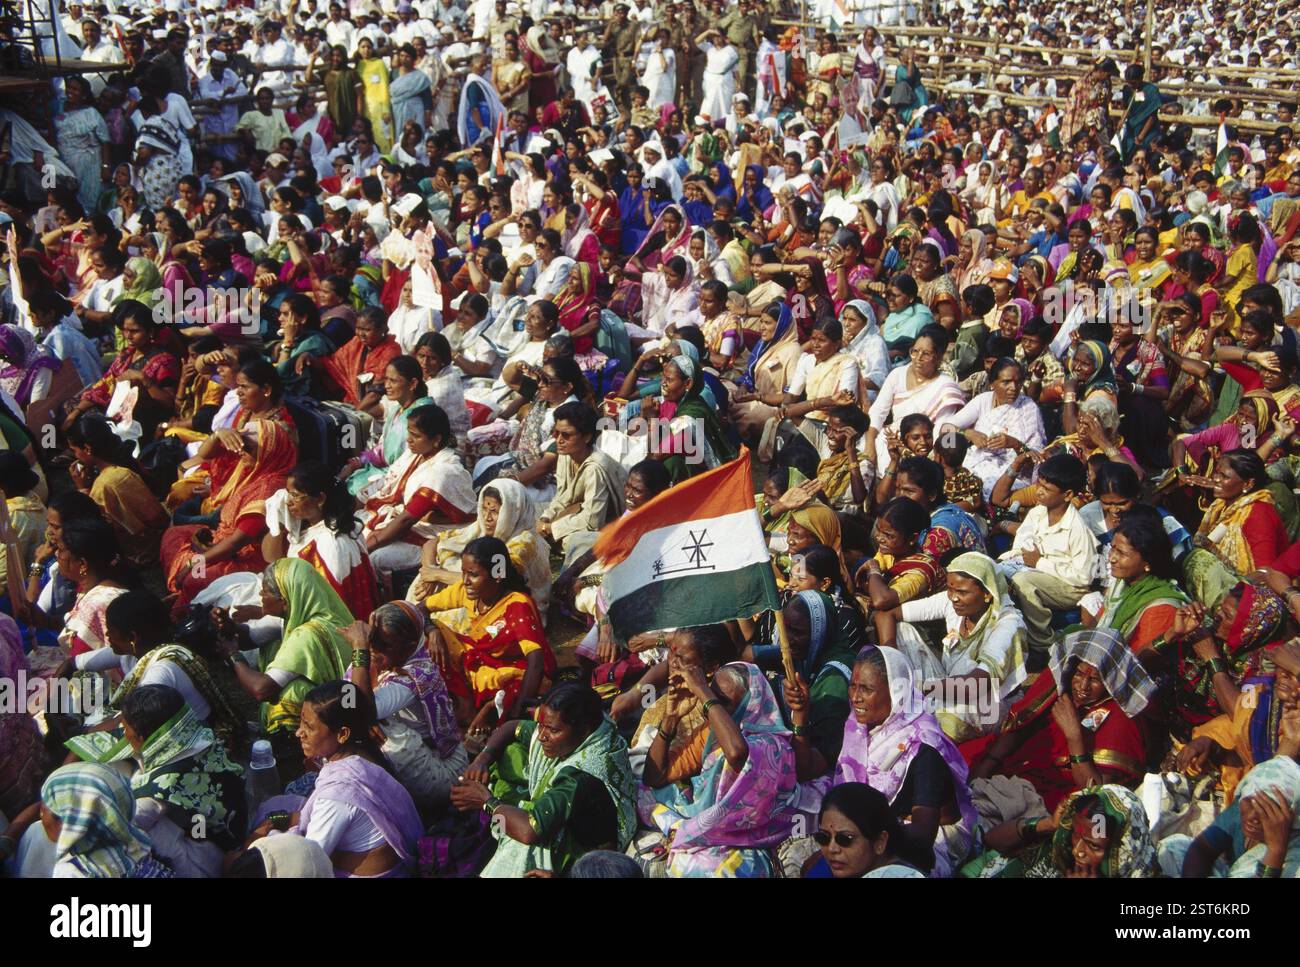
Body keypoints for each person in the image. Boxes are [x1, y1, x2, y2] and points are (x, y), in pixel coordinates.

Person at [451, 681, 636, 877]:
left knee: (519, 842)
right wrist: (483, 758)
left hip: (588, 857)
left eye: (552, 730)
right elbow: (512, 727)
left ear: (583, 731)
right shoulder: (598, 728)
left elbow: (529, 832)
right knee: (511, 751)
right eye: (540, 725)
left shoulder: (580, 776)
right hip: (578, 818)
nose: (541, 736)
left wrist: (486, 802)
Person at [827, 645, 978, 876]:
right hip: (879, 830)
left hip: (930, 837)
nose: (855, 697)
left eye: (867, 689)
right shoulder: (860, 728)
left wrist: (864, 839)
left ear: (897, 692)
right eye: (853, 686)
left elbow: (923, 835)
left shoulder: (922, 745)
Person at [971, 629, 1157, 812]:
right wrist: (988, 765)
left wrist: (1074, 737)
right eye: (1079, 674)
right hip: (1022, 763)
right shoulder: (1060, 683)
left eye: (1095, 680)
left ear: (1110, 681)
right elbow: (1021, 727)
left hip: (1058, 790)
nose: (1083, 686)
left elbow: (1097, 794)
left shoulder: (1120, 720)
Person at [648, 662, 798, 877]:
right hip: (705, 820)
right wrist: (670, 720)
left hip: (744, 836)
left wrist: (704, 692)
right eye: (712, 696)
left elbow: (737, 754)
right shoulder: (713, 735)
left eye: (722, 703)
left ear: (750, 704)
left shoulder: (772, 746)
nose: (709, 709)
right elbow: (654, 777)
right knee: (643, 793)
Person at [343, 603, 467, 812]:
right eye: (371, 640)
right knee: (353, 721)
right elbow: (347, 701)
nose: (374, 649)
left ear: (409, 646)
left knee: (377, 727)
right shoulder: (385, 661)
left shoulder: (417, 674)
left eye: (384, 645)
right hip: (422, 758)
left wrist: (359, 649)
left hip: (444, 773)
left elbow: (357, 708)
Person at [425, 535, 555, 734]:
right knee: (429, 634)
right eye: (463, 573)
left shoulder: (516, 605)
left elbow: (536, 660)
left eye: (473, 575)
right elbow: (420, 609)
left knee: (517, 688)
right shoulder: (467, 591)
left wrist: (517, 713)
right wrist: (432, 631)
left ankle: (490, 711)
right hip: (477, 660)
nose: (465, 581)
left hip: (507, 669)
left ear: (497, 574)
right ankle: (465, 705)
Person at [963, 784, 1156, 878]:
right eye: (1076, 835)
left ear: (1123, 850)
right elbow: (991, 840)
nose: (1077, 851)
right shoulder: (1059, 849)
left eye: (1094, 846)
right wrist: (1047, 825)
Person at [803, 782, 925, 878]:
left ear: (880, 842)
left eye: (845, 839)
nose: (832, 849)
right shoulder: (822, 868)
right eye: (824, 837)